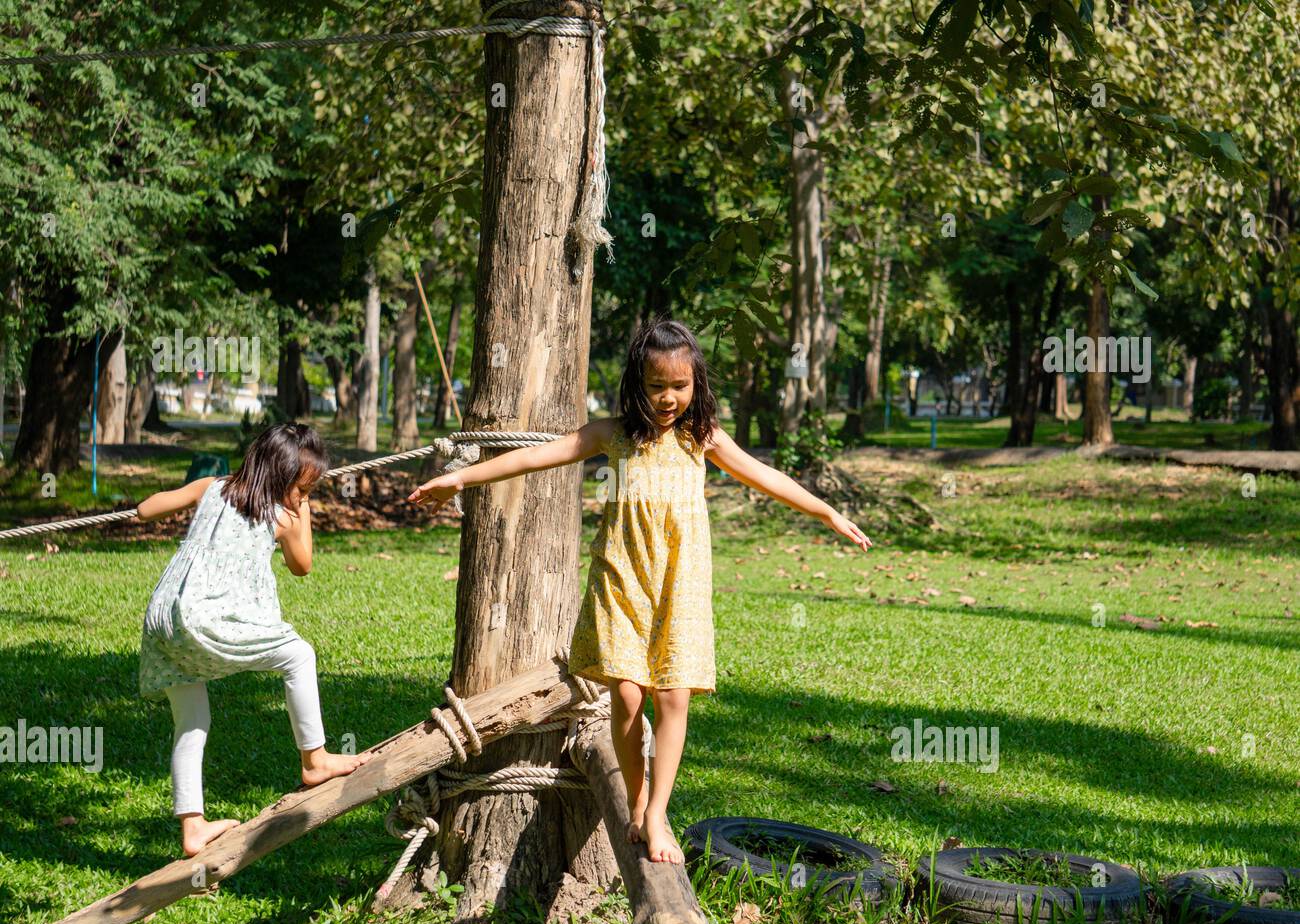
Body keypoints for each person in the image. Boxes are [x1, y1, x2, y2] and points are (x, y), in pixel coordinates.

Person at [407, 318, 871, 863]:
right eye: (657, 386)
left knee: (672, 695)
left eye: (681, 385)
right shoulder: (614, 435)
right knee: (626, 695)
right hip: (621, 576)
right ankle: (637, 796)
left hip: (680, 580)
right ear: (637, 383)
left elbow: (764, 475)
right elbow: (537, 455)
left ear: (696, 383)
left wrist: (826, 511)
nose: (669, 397)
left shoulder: (704, 439)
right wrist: (460, 478)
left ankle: (656, 815)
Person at [137, 422, 371, 857]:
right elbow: (303, 566)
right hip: (207, 618)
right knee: (299, 655)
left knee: (191, 721)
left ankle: (193, 828)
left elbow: (148, 509)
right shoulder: (281, 516)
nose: (304, 496)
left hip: (165, 617)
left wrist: (153, 506)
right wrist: (304, 512)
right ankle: (315, 759)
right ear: (281, 479)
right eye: (303, 488)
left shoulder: (213, 486)